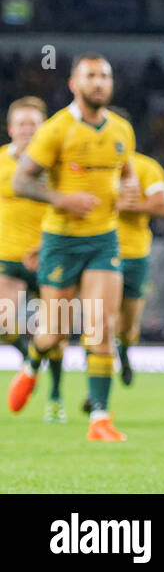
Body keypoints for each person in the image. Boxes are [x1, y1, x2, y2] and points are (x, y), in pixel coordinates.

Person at [7, 54, 138, 442]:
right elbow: (22, 182)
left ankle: (99, 418)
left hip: (103, 239)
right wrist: (62, 199)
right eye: (91, 76)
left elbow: (125, 172)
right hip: (61, 241)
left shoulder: (122, 130)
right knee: (54, 333)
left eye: (105, 76)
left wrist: (128, 190)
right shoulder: (55, 129)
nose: (99, 83)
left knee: (101, 326)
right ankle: (34, 361)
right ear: (73, 84)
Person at [110, 122, 164, 396]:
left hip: (136, 253)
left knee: (127, 325)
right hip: (100, 252)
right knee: (101, 319)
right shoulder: (92, 167)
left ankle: (123, 351)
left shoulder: (146, 167)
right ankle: (97, 390)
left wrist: (137, 205)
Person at [0, 98, 47, 414]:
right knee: (3, 324)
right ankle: (25, 353)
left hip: (48, 255)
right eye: (22, 124)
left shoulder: (53, 164)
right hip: (9, 256)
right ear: (10, 128)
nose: (27, 130)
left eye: (33, 124)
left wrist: (47, 246)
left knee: (55, 328)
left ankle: (54, 398)